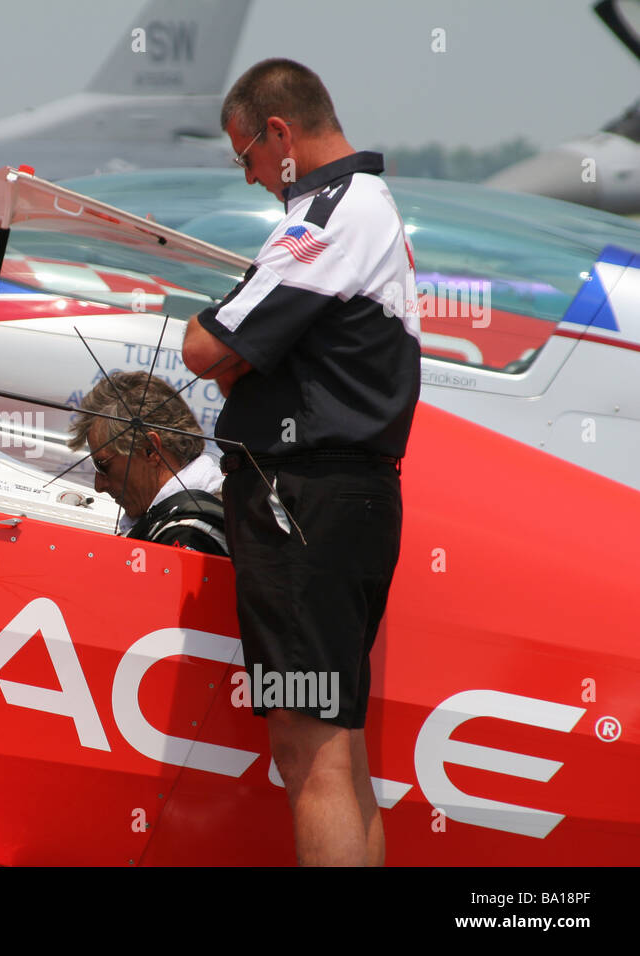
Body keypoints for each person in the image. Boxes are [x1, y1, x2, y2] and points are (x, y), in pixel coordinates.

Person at [181, 58, 421, 866]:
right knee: (340, 751)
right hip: (342, 505)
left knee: (306, 752)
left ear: (279, 134)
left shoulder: (327, 215)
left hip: (302, 506)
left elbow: (204, 346)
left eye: (244, 154)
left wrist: (232, 348)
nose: (249, 177)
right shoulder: (367, 207)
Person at [67, 371, 228, 556]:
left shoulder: (190, 533)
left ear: (150, 450)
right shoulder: (176, 519)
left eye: (102, 466)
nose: (98, 486)